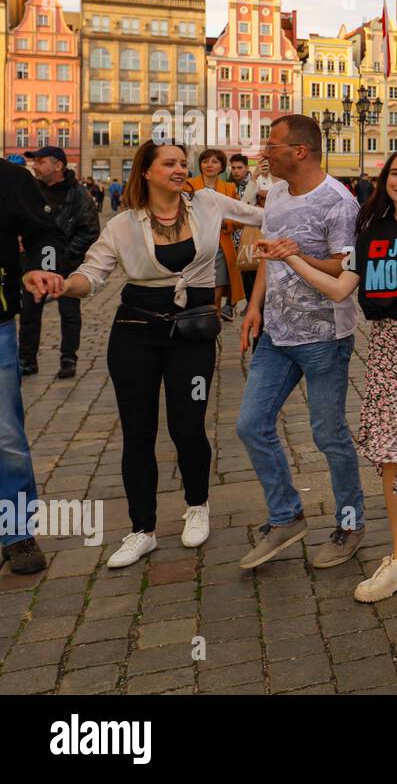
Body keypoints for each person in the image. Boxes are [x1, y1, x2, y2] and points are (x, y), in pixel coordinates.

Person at [258, 149, 397, 601]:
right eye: (396, 173)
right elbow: (339, 288)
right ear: (385, 178)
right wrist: (293, 257)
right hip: (387, 346)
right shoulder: (371, 228)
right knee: (390, 453)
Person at [41, 140, 263, 568]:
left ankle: (197, 505)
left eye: (183, 163)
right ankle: (141, 530)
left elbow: (266, 216)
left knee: (188, 426)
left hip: (193, 333)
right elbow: (93, 273)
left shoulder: (208, 202)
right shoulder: (124, 224)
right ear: (147, 171)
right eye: (170, 164)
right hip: (135, 333)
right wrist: (64, 285)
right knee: (137, 432)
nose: (180, 170)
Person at [236, 115, 367, 572]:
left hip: (324, 335)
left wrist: (297, 255)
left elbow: (343, 269)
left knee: (328, 434)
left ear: (299, 152)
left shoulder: (338, 203)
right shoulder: (274, 194)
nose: (263, 152)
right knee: (251, 425)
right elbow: (269, 257)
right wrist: (255, 305)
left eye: (271, 145)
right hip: (276, 330)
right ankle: (286, 516)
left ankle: (350, 524)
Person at [1, 162, 63, 575]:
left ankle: (16, 531)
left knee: (5, 433)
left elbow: (47, 232)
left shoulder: (9, 179)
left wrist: (39, 267)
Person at [18, 146, 99, 379]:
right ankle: (27, 359)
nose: (35, 166)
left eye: (41, 161)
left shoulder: (78, 194)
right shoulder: (30, 191)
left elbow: (90, 230)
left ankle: (68, 358)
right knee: (29, 313)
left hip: (66, 266)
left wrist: (65, 257)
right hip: (33, 265)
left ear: (58, 166)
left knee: (69, 313)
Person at [185, 149, 244, 322]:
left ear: (222, 167)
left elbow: (239, 218)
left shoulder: (228, 188)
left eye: (215, 162)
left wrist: (226, 223)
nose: (209, 165)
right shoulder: (188, 185)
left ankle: (212, 333)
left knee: (215, 298)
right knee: (195, 296)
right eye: (205, 161)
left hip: (219, 249)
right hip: (193, 248)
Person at [227, 154, 257, 305]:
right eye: (233, 168)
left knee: (249, 271)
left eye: (240, 168)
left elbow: (247, 208)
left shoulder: (254, 183)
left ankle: (252, 303)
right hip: (232, 236)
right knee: (237, 272)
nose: (236, 171)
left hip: (249, 237)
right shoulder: (228, 184)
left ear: (246, 168)